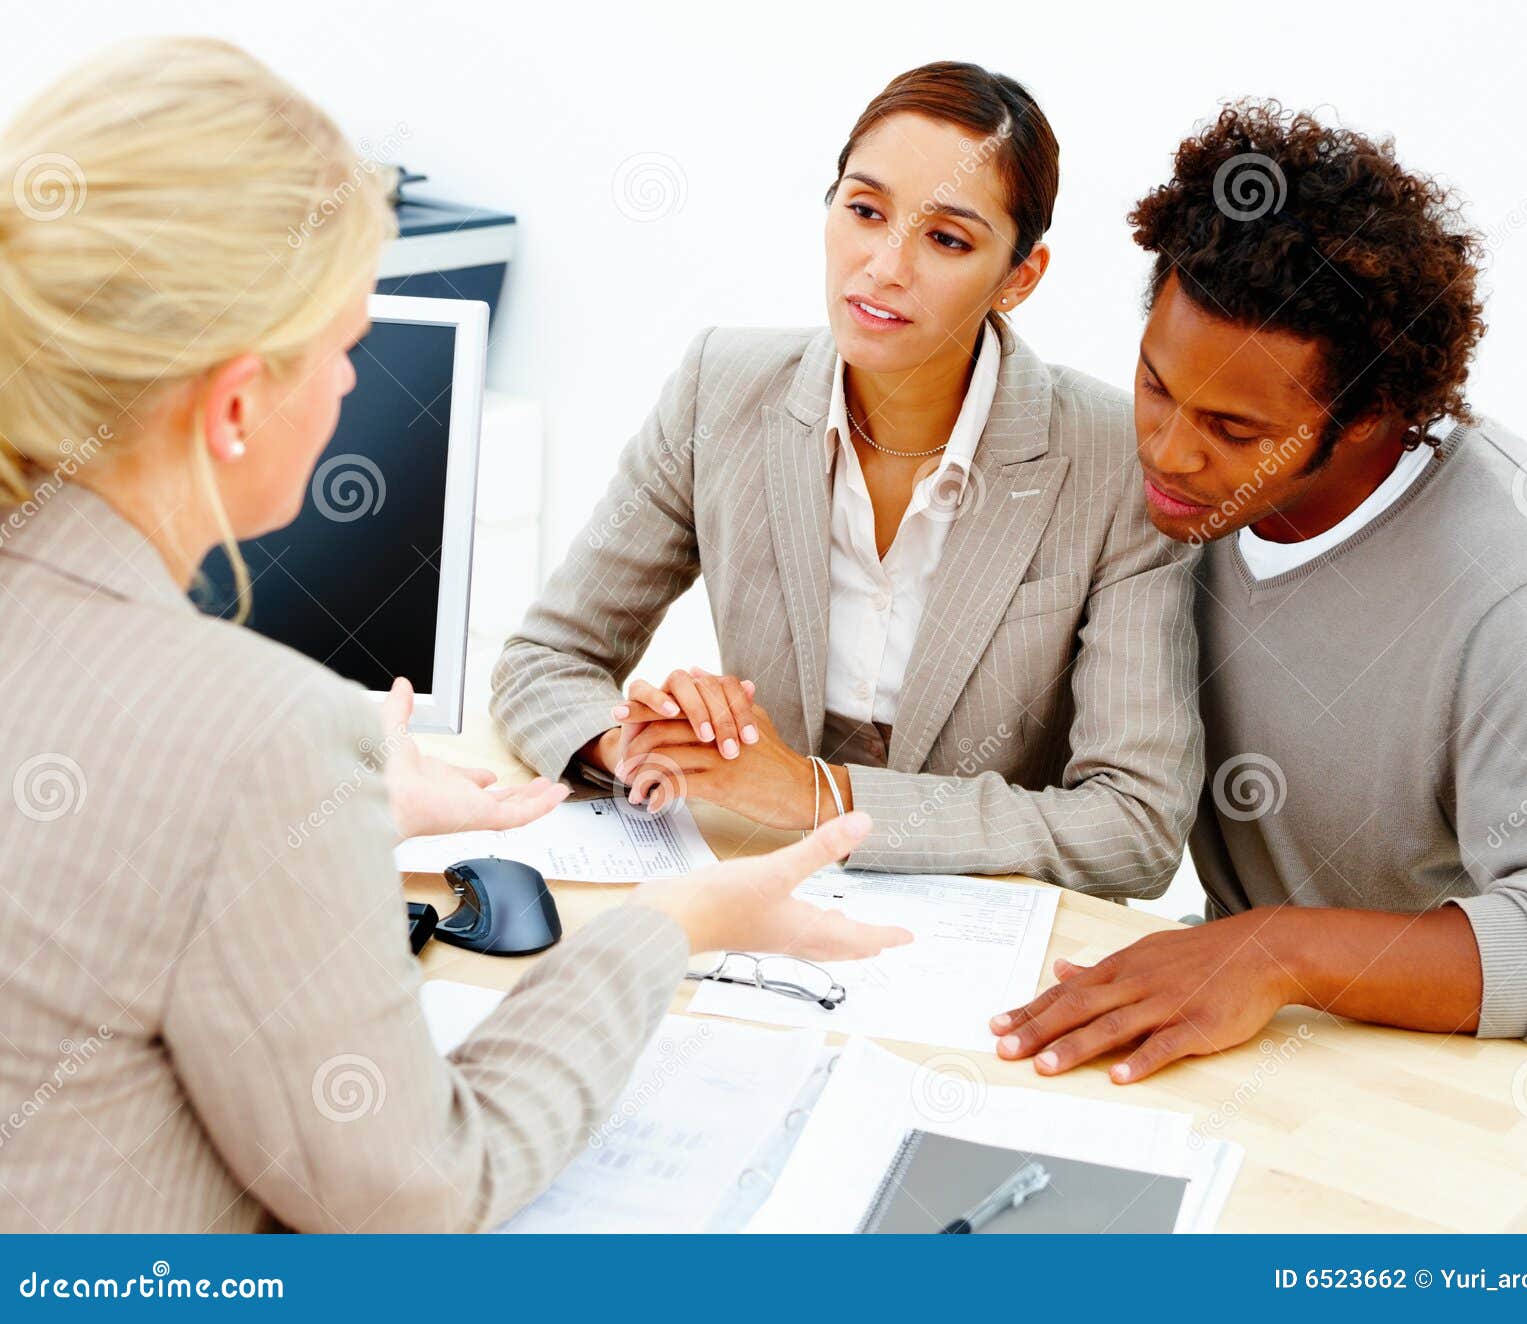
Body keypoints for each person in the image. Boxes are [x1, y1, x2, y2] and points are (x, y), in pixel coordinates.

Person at [0, 37, 909, 1234]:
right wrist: (668, 926)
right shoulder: (257, 733)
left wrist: (329, 823)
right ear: (231, 406)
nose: (348, 387)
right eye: (344, 347)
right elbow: (421, 1195)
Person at [993, 101, 1527, 1082]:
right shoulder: (1146, 490)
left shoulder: (1522, 596)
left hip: (1445, 1086)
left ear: (1371, 420)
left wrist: (1279, 950)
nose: (1167, 451)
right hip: (1237, 1047)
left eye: (1233, 432)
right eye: (1154, 385)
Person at [491, 61, 1202, 894]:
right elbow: (544, 659)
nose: (885, 266)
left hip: (976, 933)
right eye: (865, 211)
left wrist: (819, 795)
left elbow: (1134, 829)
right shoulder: (719, 389)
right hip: (757, 897)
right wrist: (639, 745)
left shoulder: (1115, 460)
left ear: (1020, 277)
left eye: (946, 239)